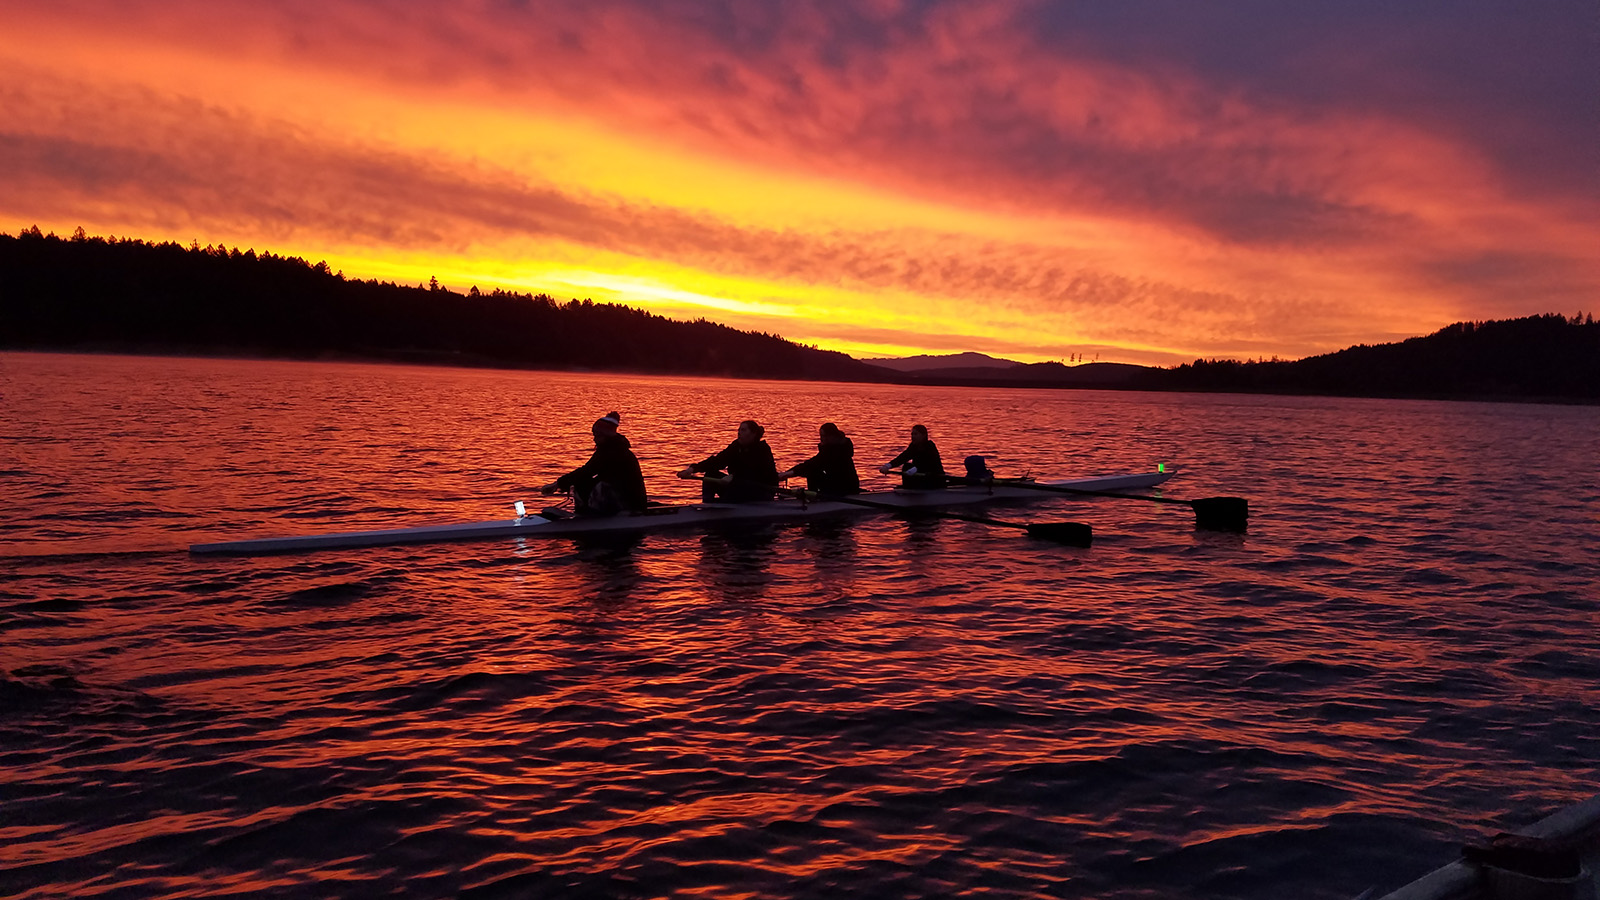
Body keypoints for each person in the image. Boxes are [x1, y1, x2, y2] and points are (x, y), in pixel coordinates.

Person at [538, 412, 648, 516]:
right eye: (594, 435)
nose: (594, 439)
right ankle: (585, 513)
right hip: (625, 496)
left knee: (597, 485)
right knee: (582, 483)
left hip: (631, 502)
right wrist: (565, 484)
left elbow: (588, 471)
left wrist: (557, 484)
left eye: (597, 435)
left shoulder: (614, 452)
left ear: (605, 436)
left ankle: (590, 517)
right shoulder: (607, 449)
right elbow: (588, 473)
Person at [678, 419, 779, 503]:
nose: (739, 433)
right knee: (710, 474)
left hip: (761, 491)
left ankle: (723, 504)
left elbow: (755, 472)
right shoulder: (736, 446)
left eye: (743, 430)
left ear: (753, 434)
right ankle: (708, 506)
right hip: (738, 487)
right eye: (739, 430)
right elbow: (717, 461)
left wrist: (734, 477)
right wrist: (691, 469)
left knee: (737, 485)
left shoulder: (762, 449)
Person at [780, 422, 861, 495]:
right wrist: (787, 473)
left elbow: (813, 464)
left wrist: (788, 474)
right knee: (812, 470)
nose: (821, 439)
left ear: (832, 436)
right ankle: (816, 495)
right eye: (821, 436)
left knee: (812, 471)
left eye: (824, 436)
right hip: (839, 484)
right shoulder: (832, 449)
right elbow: (811, 463)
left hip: (845, 488)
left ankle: (815, 500)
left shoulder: (836, 451)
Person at [879, 423, 947, 488]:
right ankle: (908, 489)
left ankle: (911, 491)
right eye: (912, 434)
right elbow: (903, 457)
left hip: (935, 479)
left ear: (923, 435)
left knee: (909, 468)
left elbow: (929, 464)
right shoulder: (913, 446)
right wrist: (887, 466)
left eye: (916, 434)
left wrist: (914, 470)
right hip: (921, 477)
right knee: (906, 466)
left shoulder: (930, 446)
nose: (913, 436)